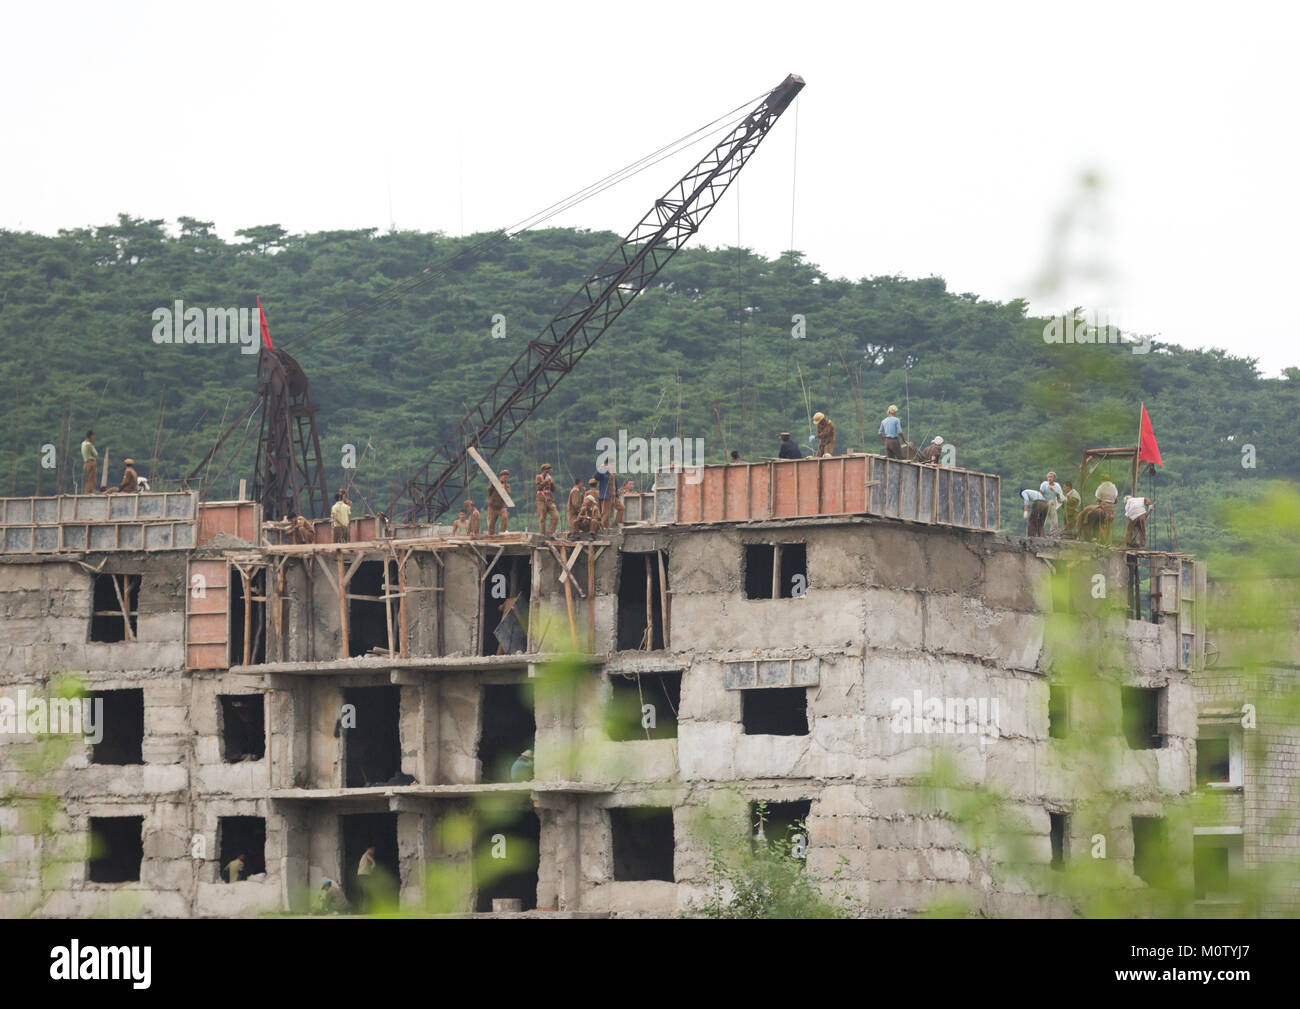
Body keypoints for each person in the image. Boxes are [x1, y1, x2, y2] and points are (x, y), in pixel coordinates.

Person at [535, 463, 559, 536]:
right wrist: (546, 481)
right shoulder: (538, 477)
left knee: (555, 516)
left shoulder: (550, 478)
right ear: (543, 470)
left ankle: (550, 532)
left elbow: (553, 490)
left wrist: (552, 483)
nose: (548, 471)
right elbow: (539, 487)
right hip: (541, 499)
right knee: (542, 518)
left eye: (549, 470)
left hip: (549, 499)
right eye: (546, 470)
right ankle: (542, 534)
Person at [1040, 471, 1066, 536]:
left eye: (1051, 477)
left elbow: (1058, 496)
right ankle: (1039, 532)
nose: (1049, 478)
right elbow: (1040, 494)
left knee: (1054, 520)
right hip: (1044, 503)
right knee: (1042, 519)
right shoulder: (1044, 484)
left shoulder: (1057, 486)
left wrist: (1061, 502)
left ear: (1054, 478)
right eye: (1048, 477)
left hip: (1052, 504)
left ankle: (1053, 533)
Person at [1094, 476, 1119, 543]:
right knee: (1110, 526)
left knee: (1101, 524)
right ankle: (1108, 542)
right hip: (1111, 509)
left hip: (1103, 507)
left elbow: (1097, 499)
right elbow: (1116, 500)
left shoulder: (1100, 487)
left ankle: (1102, 541)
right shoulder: (1114, 487)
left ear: (1102, 480)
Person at [487, 470, 511, 534]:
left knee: (505, 518)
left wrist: (504, 487)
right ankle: (490, 536)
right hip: (492, 506)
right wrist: (491, 485)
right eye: (504, 477)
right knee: (491, 523)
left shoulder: (507, 486)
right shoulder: (495, 483)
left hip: (501, 507)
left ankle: (502, 533)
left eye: (507, 477)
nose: (506, 479)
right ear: (501, 477)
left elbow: (508, 495)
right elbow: (489, 493)